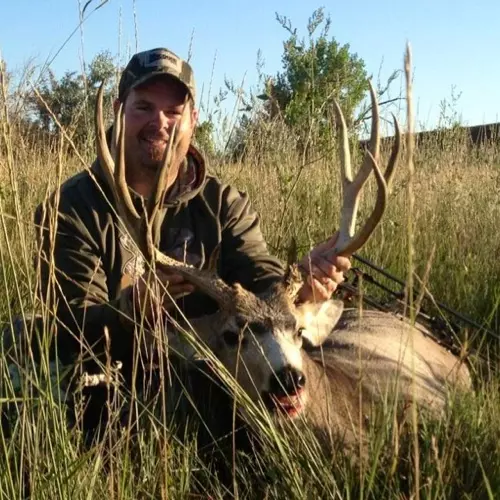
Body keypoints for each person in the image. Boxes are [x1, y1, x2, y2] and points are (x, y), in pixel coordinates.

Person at [33, 48, 351, 428]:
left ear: (193, 120)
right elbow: (68, 324)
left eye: (174, 112)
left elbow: (258, 272)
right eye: (144, 107)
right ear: (118, 111)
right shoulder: (71, 207)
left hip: (217, 377)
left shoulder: (222, 204)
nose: (160, 122)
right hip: (115, 384)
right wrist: (130, 310)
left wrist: (298, 285)